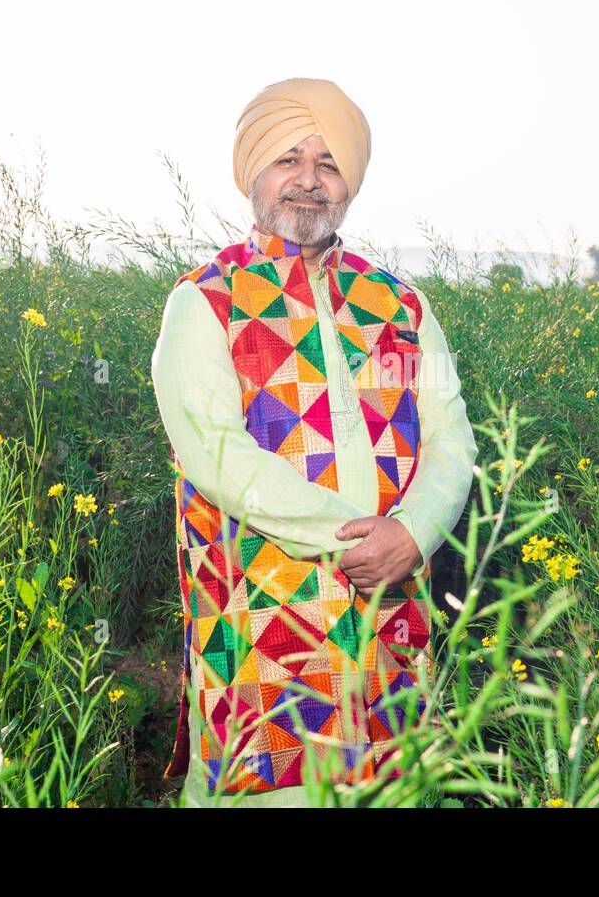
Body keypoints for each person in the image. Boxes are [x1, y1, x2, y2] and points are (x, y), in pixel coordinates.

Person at [150, 77, 477, 807]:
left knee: (394, 787)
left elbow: (451, 439)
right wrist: (357, 538)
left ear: (350, 182)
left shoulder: (397, 305)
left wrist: (415, 534)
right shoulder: (206, 301)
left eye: (328, 163)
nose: (307, 180)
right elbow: (216, 454)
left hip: (390, 612)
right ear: (254, 173)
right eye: (287, 159)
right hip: (262, 615)